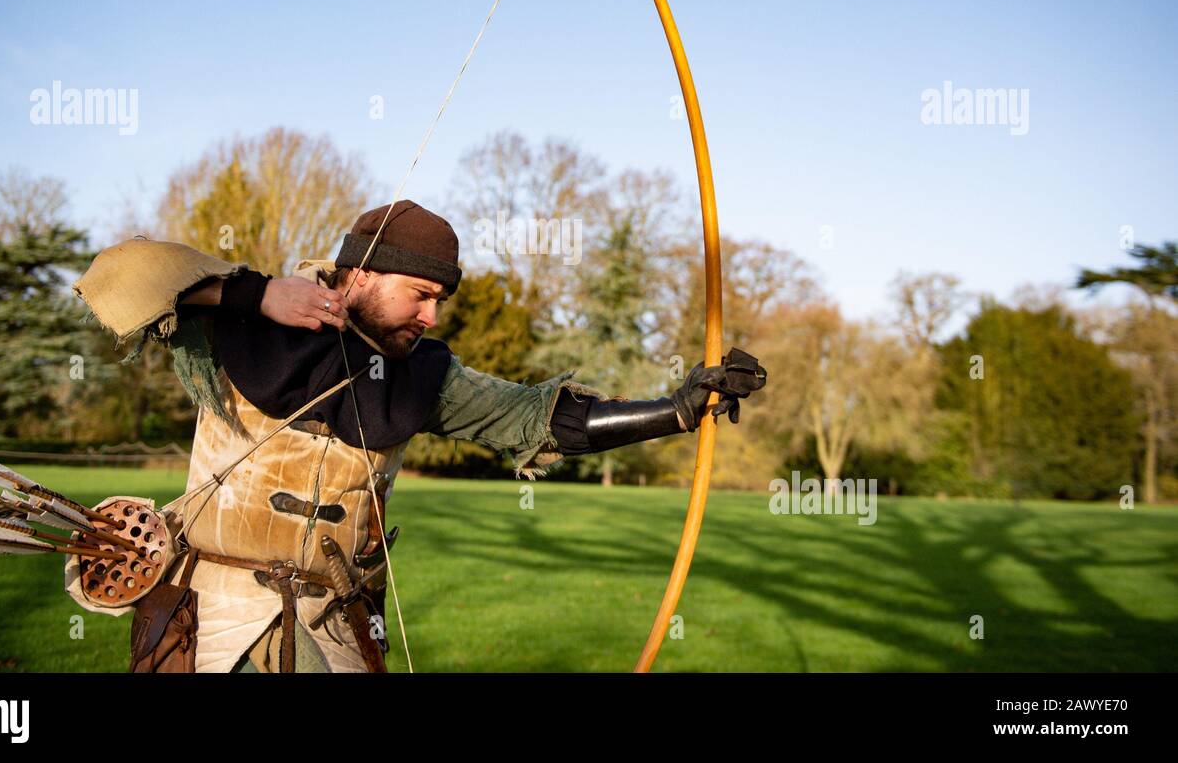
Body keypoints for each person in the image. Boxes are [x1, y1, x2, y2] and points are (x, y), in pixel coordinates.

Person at [69, 200, 765, 672]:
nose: (432, 316)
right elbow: (112, 278)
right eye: (420, 294)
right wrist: (254, 293)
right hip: (216, 619)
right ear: (362, 274)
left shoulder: (421, 372)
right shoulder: (246, 320)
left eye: (440, 301)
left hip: (332, 625)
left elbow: (538, 419)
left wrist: (676, 408)